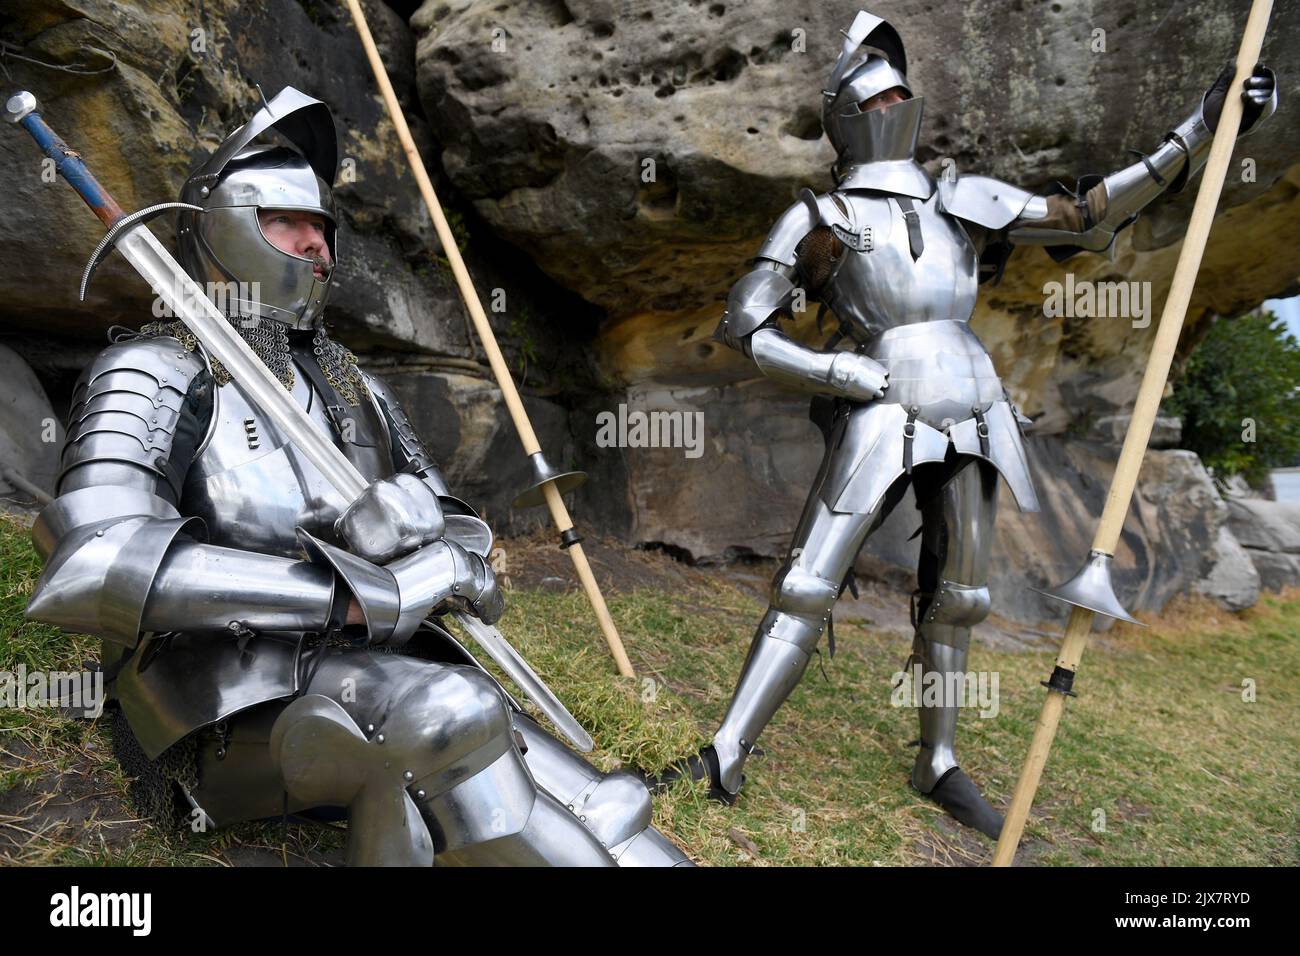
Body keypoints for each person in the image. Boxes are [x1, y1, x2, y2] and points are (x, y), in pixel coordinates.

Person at [25, 87, 690, 866]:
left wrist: (441, 555)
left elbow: (462, 537)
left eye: (323, 228)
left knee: (612, 813)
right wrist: (350, 593)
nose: (318, 246)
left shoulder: (349, 383)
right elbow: (90, 564)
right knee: (452, 714)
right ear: (226, 231)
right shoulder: (153, 368)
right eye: (288, 223)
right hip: (223, 698)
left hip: (379, 665)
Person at [657, 9, 1277, 838]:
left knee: (960, 598)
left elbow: (1087, 214)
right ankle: (726, 750)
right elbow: (747, 327)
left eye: (900, 92)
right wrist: (838, 369)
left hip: (975, 403)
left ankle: (937, 759)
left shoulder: (963, 198)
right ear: (842, 116)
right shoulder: (817, 218)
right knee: (807, 584)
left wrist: (1201, 128)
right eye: (873, 96)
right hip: (880, 401)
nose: (891, 104)